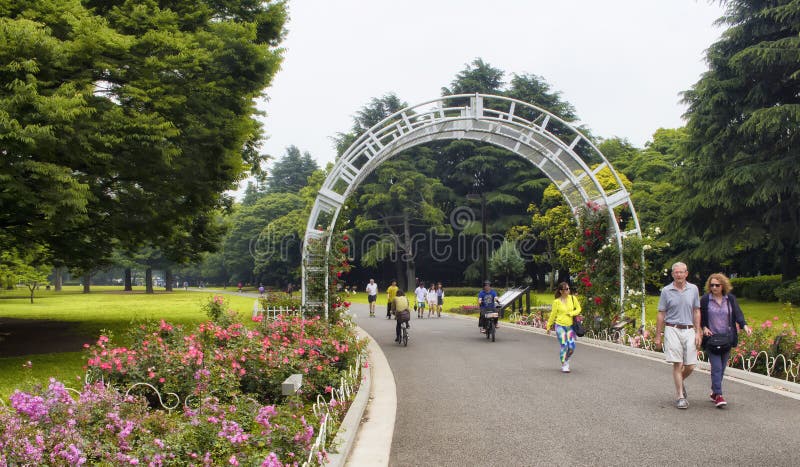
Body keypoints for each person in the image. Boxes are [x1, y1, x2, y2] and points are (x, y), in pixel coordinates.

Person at [700, 273, 752, 408]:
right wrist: (704, 328)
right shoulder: (705, 300)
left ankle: (714, 391)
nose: (714, 287)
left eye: (717, 285)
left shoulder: (730, 299)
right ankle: (718, 395)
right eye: (712, 285)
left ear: (723, 285)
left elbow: (738, 314)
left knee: (722, 368)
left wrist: (744, 326)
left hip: (727, 338)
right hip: (712, 339)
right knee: (716, 367)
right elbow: (700, 318)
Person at [655, 262, 701, 409]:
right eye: (676, 272)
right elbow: (661, 313)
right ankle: (680, 396)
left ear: (686, 273)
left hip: (689, 329)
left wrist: (698, 331)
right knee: (678, 363)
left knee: (691, 365)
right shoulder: (666, 291)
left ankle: (680, 381)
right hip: (672, 328)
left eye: (682, 272)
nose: (679, 275)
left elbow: (696, 311)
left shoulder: (693, 289)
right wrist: (658, 335)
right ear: (673, 274)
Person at [546, 282, 582, 373]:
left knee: (571, 347)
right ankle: (565, 364)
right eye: (566, 289)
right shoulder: (556, 302)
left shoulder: (573, 298)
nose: (568, 290)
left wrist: (572, 313)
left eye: (569, 288)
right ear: (561, 291)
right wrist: (548, 326)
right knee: (564, 345)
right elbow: (553, 314)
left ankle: (567, 359)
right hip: (560, 326)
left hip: (570, 326)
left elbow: (578, 309)